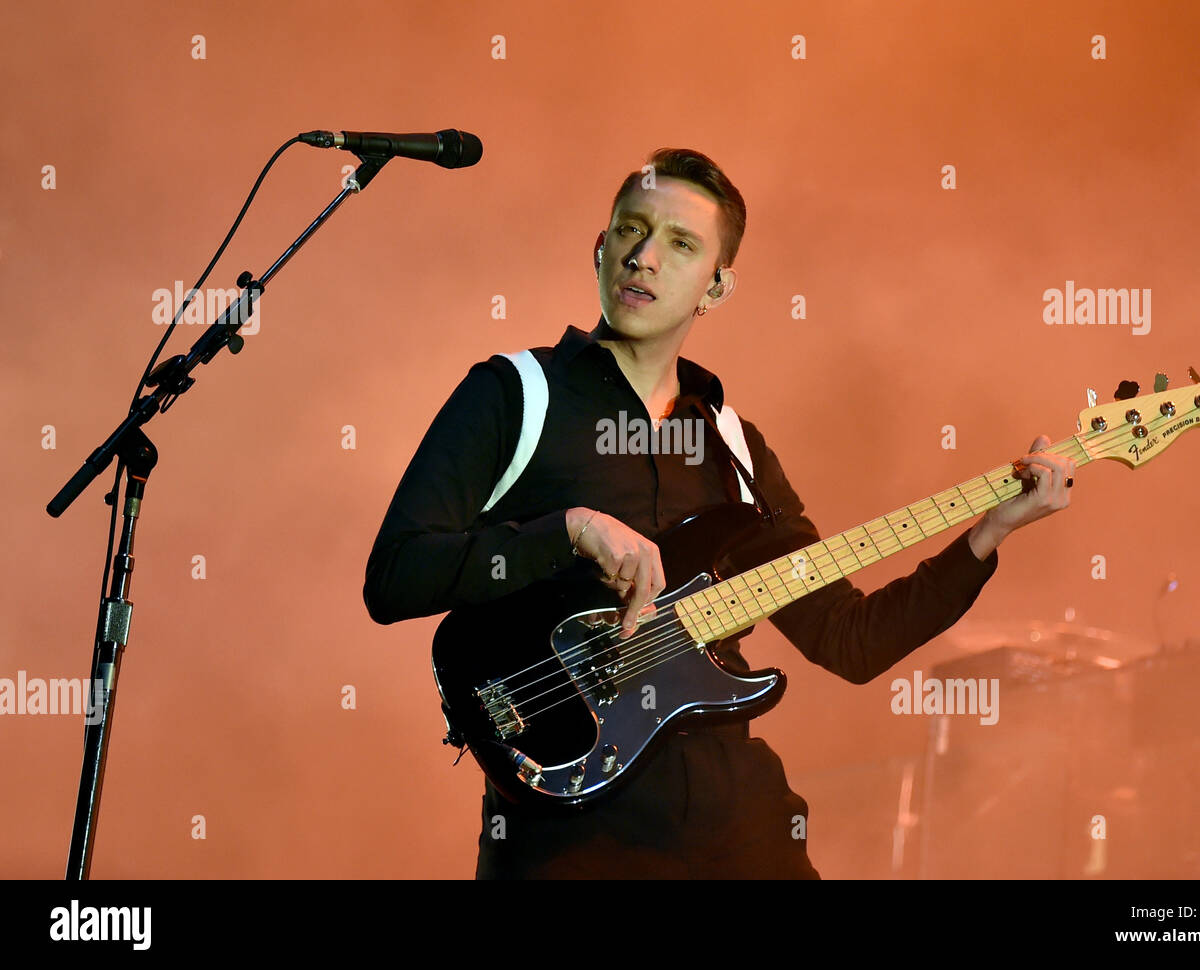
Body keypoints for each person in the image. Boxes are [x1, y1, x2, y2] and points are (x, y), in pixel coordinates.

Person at [363, 147, 1075, 878]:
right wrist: (567, 529)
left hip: (735, 826)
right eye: (631, 231)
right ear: (601, 247)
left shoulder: (734, 448)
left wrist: (989, 533)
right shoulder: (515, 395)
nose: (644, 258)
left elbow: (849, 639)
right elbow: (394, 576)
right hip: (567, 832)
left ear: (716, 287)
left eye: (680, 244)